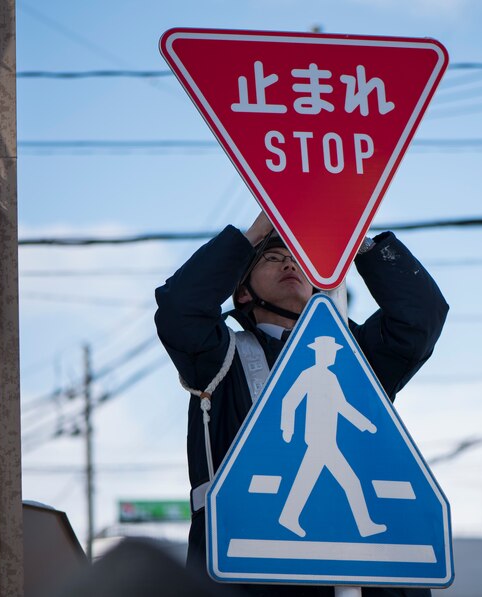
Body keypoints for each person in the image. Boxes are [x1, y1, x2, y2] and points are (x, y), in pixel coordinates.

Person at [154, 212, 448, 597]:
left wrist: (354, 240)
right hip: (251, 566)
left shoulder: (356, 356)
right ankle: (297, 516)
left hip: (365, 573)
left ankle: (336, 518)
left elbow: (420, 318)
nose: (291, 263)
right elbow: (180, 307)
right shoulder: (220, 356)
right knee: (325, 478)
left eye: (300, 259)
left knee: (343, 480)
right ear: (243, 292)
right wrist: (258, 230)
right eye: (273, 257)